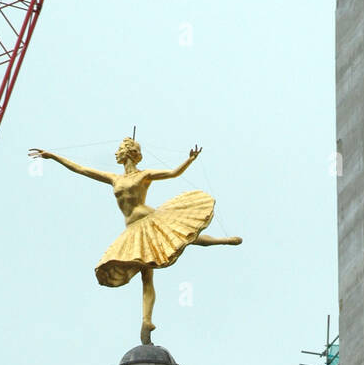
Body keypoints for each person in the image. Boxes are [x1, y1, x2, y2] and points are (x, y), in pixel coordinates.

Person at [29, 136, 242, 343]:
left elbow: (173, 173)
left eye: (120, 149)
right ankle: (146, 321)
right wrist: (54, 157)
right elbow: (82, 170)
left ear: (129, 152)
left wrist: (189, 159)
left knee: (185, 236)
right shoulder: (114, 178)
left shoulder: (144, 175)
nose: (115, 152)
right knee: (146, 276)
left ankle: (224, 240)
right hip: (132, 229)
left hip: (149, 219)